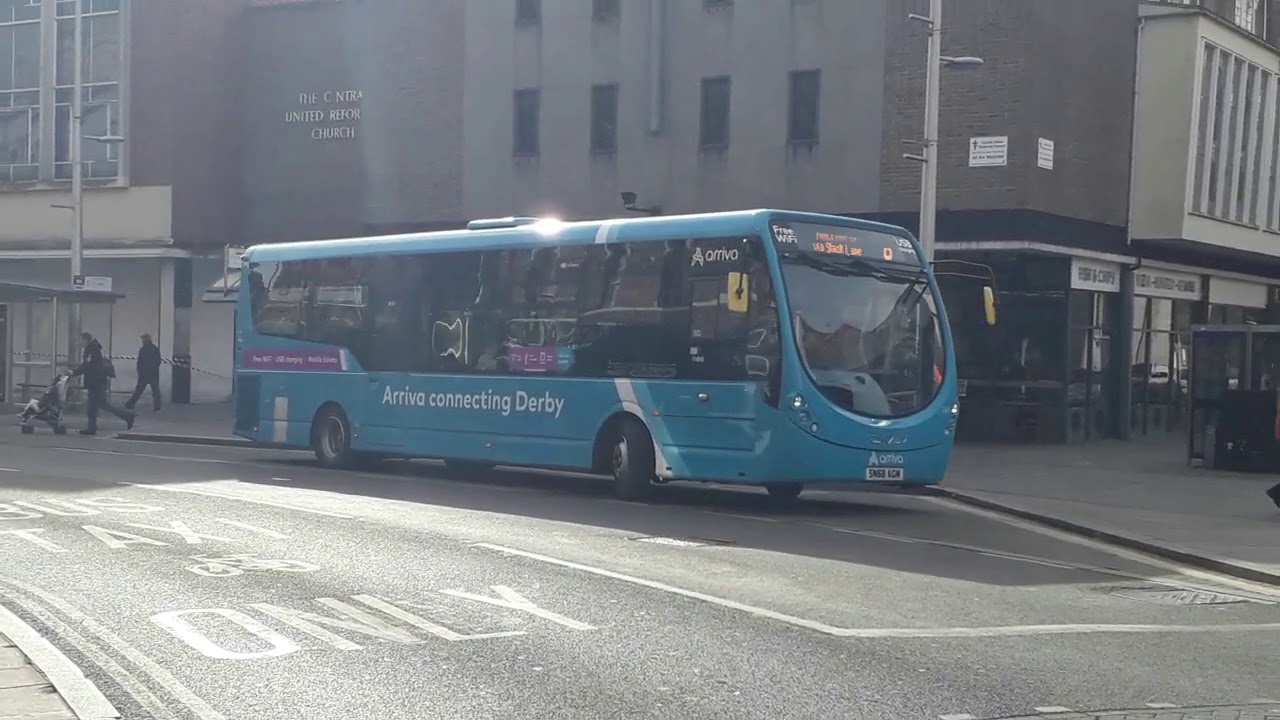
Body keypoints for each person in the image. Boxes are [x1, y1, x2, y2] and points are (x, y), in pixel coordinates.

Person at [70, 331, 134, 435]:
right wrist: (75, 372)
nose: (79, 343)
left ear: (85, 340)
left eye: (80, 340)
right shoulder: (93, 348)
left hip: (96, 382)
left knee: (99, 405)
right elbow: (87, 366)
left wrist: (73, 372)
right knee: (96, 406)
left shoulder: (91, 349)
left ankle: (127, 415)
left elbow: (87, 366)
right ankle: (92, 427)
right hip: (97, 382)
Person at [125, 333, 162, 411]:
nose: (142, 341)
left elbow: (140, 362)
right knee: (155, 391)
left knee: (138, 390)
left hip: (144, 373)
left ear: (146, 340)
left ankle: (130, 404)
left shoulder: (143, 349)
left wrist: (139, 371)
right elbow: (158, 361)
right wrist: (154, 368)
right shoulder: (155, 348)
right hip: (153, 373)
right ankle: (157, 407)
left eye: (143, 339)